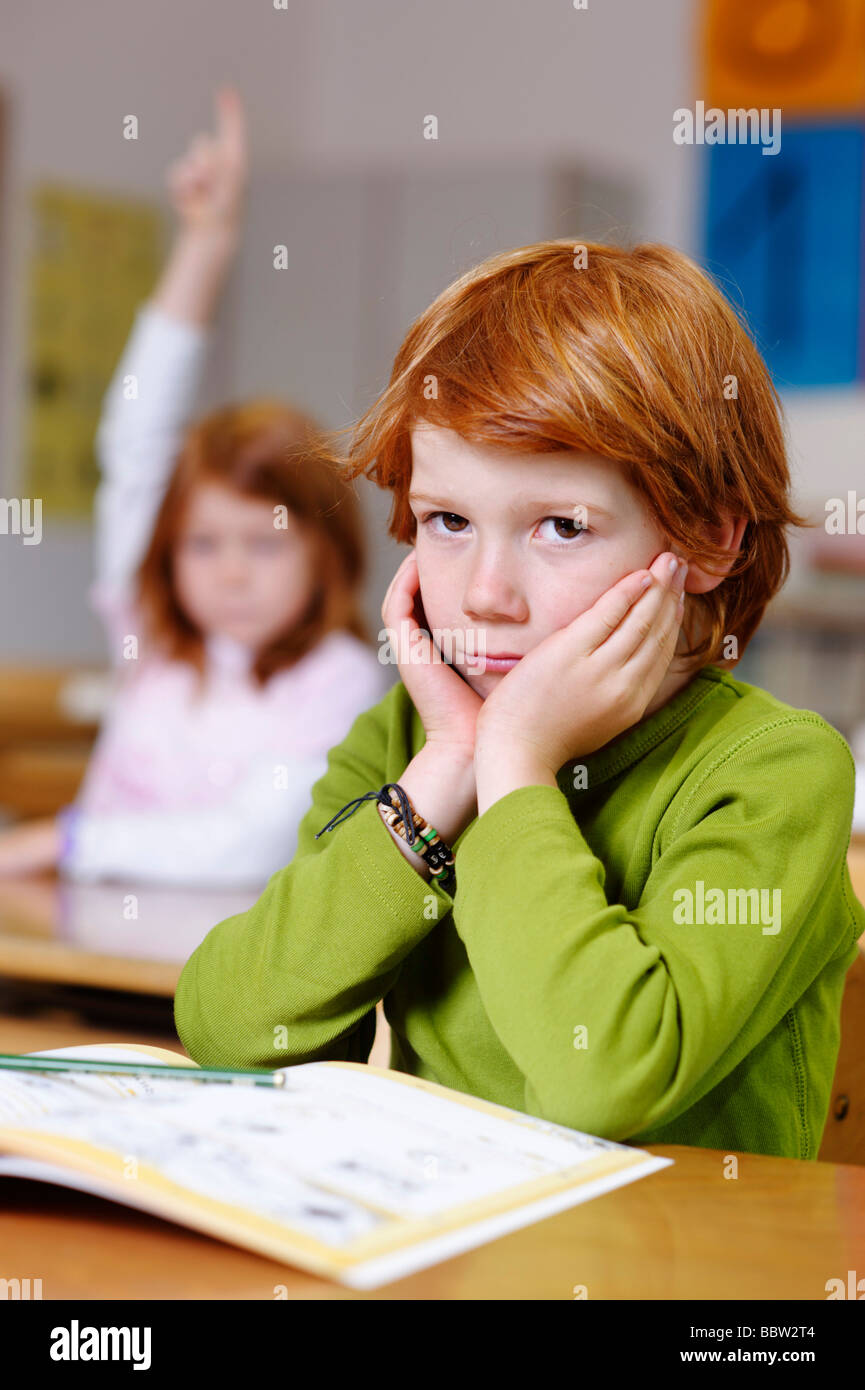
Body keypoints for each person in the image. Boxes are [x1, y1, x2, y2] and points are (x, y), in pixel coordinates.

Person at [174, 237, 865, 1158]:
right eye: (447, 521)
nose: (485, 594)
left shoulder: (775, 770)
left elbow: (602, 1079)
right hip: (439, 1232)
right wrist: (445, 776)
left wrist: (513, 765)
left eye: (561, 527)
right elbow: (231, 1033)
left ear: (707, 538)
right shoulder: (408, 741)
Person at [0, 87, 392, 886]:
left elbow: (250, 847)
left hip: (212, 958)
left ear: (327, 550)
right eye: (203, 545)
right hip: (83, 932)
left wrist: (71, 843)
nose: (231, 572)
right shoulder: (154, 637)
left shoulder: (342, 679)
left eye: (265, 544)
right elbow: (135, 438)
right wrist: (204, 244)